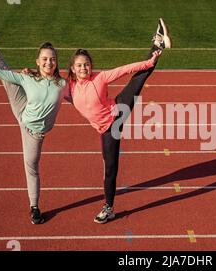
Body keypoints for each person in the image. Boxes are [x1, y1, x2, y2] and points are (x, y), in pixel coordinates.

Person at [66, 18, 172, 223]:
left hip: (117, 113)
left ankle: (157, 45)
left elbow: (126, 69)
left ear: (91, 66)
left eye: (86, 64)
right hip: (104, 130)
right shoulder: (67, 87)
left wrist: (149, 63)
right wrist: (29, 73)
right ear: (72, 68)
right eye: (79, 65)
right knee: (110, 168)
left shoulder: (101, 77)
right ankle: (110, 207)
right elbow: (48, 83)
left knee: (138, 79)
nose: (83, 68)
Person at [0, 21, 70, 224]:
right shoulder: (29, 78)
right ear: (37, 61)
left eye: (52, 59)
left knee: (32, 165)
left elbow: (80, 97)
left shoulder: (62, 85)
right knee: (7, 75)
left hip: (33, 132)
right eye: (44, 59)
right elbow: (0, 73)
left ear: (57, 62)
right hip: (21, 108)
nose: (48, 62)